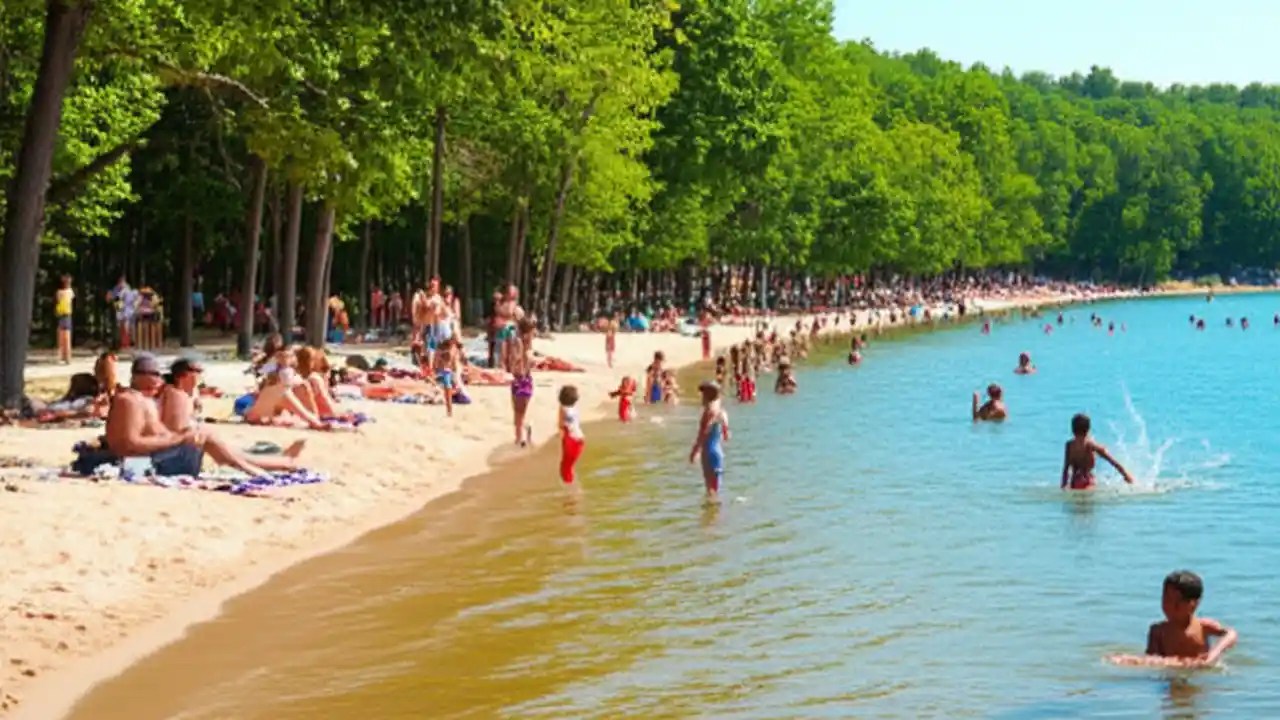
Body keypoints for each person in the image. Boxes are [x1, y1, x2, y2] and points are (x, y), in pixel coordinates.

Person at [106, 355, 296, 478]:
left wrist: (178, 437)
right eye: (154, 375)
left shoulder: (141, 400)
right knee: (205, 435)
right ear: (139, 376)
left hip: (155, 456)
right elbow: (130, 444)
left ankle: (274, 464)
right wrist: (177, 439)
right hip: (145, 463)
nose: (159, 380)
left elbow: (155, 434)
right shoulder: (129, 401)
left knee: (205, 436)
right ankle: (258, 468)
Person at [1109, 571, 1238, 668]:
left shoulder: (1203, 626)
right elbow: (1152, 661)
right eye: (1166, 600)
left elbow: (1231, 633)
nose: (1169, 607)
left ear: (1194, 604)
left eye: (1177, 603)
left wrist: (1214, 653)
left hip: (1200, 674)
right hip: (1172, 676)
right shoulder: (1158, 631)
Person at [1062, 413, 1134, 489]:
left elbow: (1066, 468)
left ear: (1072, 430)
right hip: (1082, 481)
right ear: (1088, 430)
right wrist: (1126, 475)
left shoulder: (1074, 445)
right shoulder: (1082, 445)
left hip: (1081, 481)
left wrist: (1063, 485)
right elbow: (1112, 461)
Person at [689, 381, 730, 501]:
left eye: (703, 394)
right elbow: (726, 435)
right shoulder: (721, 412)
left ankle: (711, 517)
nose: (701, 397)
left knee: (710, 490)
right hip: (717, 451)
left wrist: (695, 451)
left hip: (708, 451)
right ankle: (715, 517)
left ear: (708, 395)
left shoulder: (709, 412)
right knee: (715, 489)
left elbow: (703, 433)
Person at [504, 317, 536, 446]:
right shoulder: (520, 343)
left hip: (521, 379)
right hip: (522, 379)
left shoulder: (523, 343)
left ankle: (520, 437)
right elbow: (515, 359)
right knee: (519, 411)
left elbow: (515, 360)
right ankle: (522, 435)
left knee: (518, 412)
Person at [558, 385, 585, 487]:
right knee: (570, 466)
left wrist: (560, 434)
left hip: (570, 438)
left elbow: (561, 424)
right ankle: (573, 486)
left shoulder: (562, 409)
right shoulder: (575, 409)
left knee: (565, 467)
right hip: (580, 438)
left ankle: (569, 489)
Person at [434, 336, 461, 418]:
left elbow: (455, 364)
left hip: (447, 372)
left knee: (448, 389)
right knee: (448, 388)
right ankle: (449, 410)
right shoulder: (444, 350)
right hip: (445, 372)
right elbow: (437, 363)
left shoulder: (453, 350)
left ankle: (449, 410)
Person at [55, 275, 74, 364]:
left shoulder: (67, 292)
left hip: (65, 314)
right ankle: (64, 356)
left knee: (65, 336)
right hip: (63, 314)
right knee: (63, 336)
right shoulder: (65, 292)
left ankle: (66, 356)